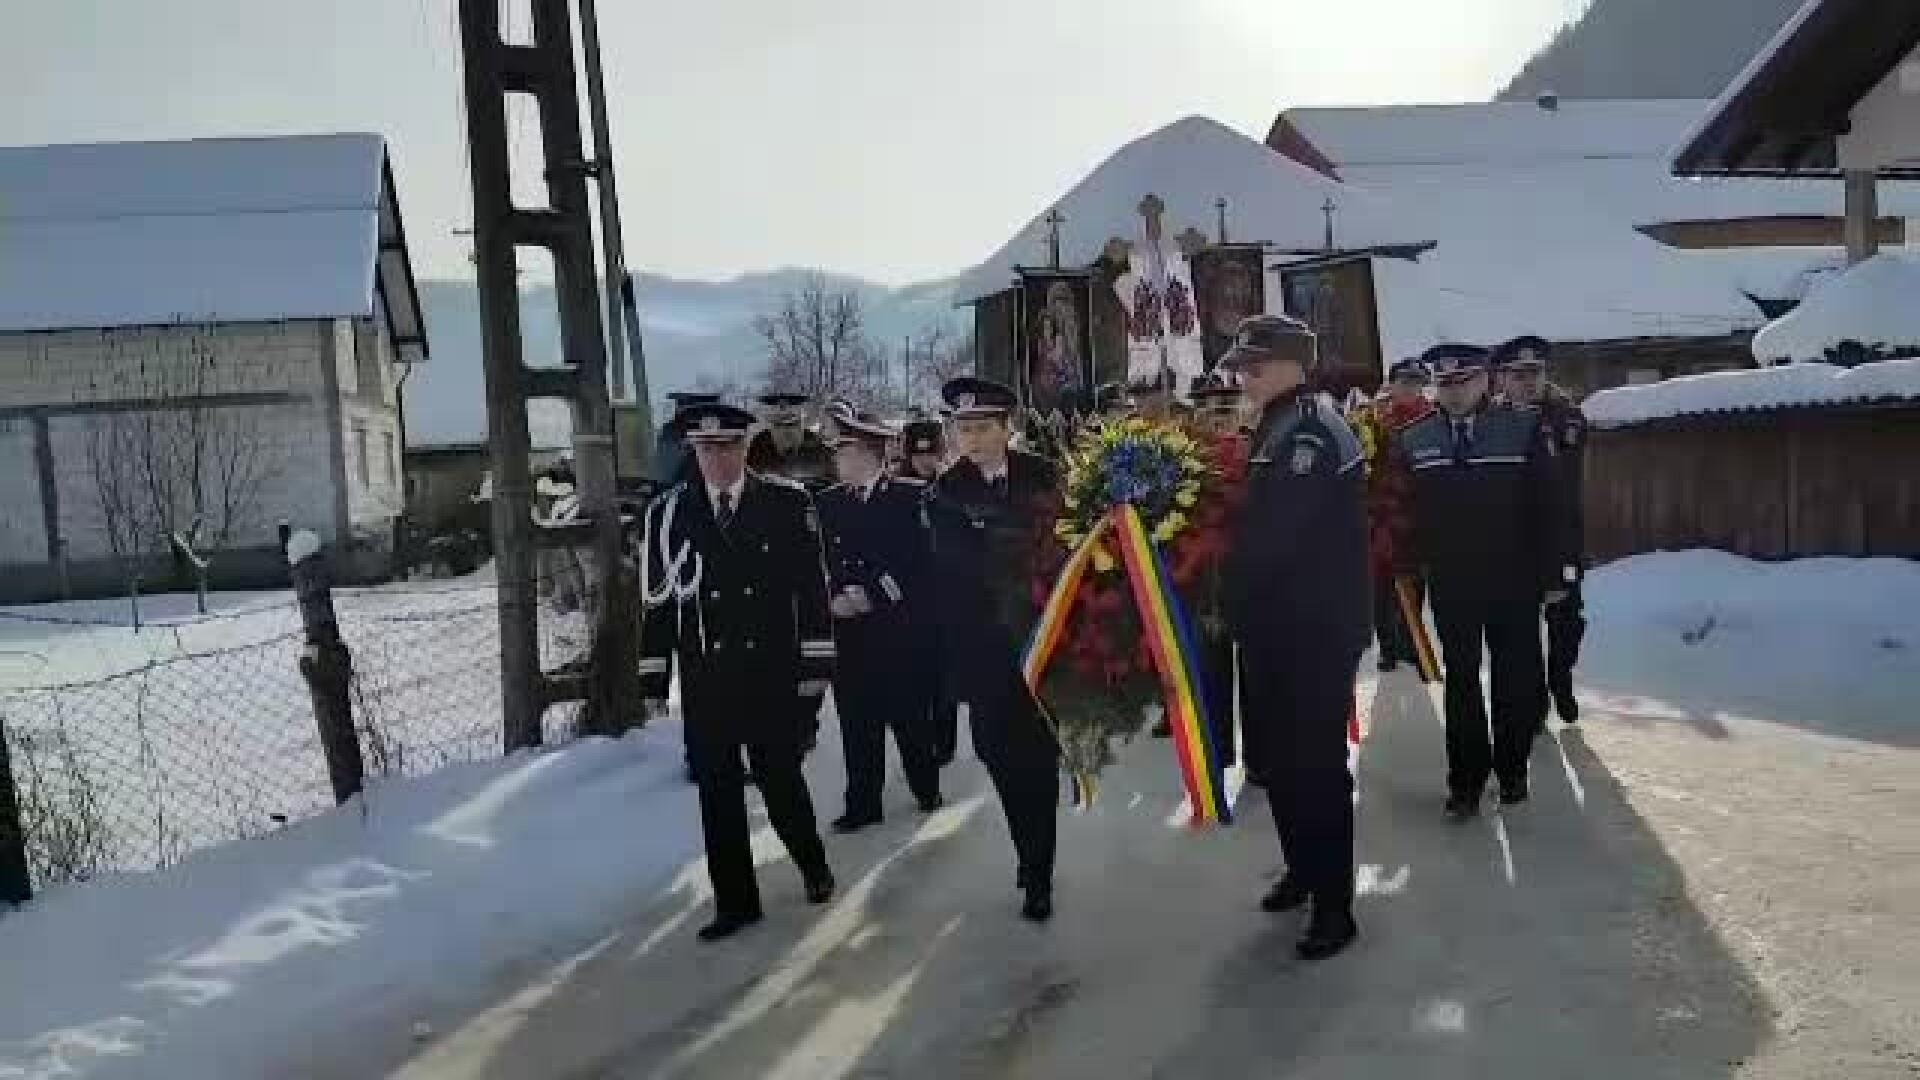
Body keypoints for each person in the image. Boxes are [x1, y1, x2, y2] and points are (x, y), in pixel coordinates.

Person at [638, 402, 837, 941]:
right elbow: (657, 604)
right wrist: (653, 679)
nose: (717, 459)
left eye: (728, 446)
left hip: (770, 671)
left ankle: (813, 866)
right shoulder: (667, 515)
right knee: (717, 792)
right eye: (706, 449)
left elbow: (811, 591)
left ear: (746, 447)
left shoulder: (786, 504)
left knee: (781, 783)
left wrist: (816, 663)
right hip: (707, 678)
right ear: (692, 452)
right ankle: (736, 902)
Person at [1218, 315, 1371, 961]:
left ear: (1293, 364)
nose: (1243, 373)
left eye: (1256, 362)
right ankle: (1303, 868)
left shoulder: (1308, 428)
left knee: (1316, 768)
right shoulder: (1278, 421)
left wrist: (1212, 572)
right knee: (1280, 760)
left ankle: (1335, 906)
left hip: (1312, 628)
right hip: (1277, 626)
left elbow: (1277, 536)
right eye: (1241, 363)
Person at [1382, 343, 1578, 820]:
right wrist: (1401, 567)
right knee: (1461, 684)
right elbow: (1402, 514)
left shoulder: (1523, 429)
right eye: (1444, 383)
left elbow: (1552, 509)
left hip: (1514, 580)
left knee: (1516, 679)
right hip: (1453, 583)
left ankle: (1512, 772)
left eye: (1463, 381)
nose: (1453, 393)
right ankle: (1465, 783)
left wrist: (1557, 573)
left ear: (1485, 380)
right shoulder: (1413, 439)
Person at [923, 376, 1063, 922]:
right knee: (999, 758)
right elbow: (960, 568)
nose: (973, 438)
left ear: (1009, 429)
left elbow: (1066, 543)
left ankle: (1039, 869)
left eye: (983, 427)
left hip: (1041, 646)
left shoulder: (1043, 476)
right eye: (964, 428)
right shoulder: (946, 493)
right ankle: (1027, 848)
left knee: (1039, 761)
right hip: (984, 654)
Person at [816, 410, 944, 830]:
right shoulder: (828, 503)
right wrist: (833, 597)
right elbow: (819, 562)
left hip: (897, 631)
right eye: (838, 453)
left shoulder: (909, 497)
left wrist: (873, 595)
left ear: (872, 454)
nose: (840, 461)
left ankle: (926, 788)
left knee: (910, 719)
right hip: (849, 634)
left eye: (848, 452)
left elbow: (921, 564)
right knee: (856, 722)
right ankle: (863, 802)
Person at [1493, 335, 1589, 724]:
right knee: (1521, 631)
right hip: (1514, 544)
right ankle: (1534, 701)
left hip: (1562, 539)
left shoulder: (1567, 416)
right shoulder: (1492, 421)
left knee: (1567, 619)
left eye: (1535, 373)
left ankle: (1560, 678)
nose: (1527, 382)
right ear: (1502, 379)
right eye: (1518, 374)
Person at [1366, 360, 1437, 673]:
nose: (1409, 388)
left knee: (1413, 586)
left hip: (1415, 519)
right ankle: (1389, 648)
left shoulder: (1432, 419)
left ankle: (1413, 648)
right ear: (1391, 385)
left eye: (1416, 382)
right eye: (1404, 382)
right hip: (1378, 518)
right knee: (1380, 591)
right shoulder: (1374, 419)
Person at [897, 417, 958, 765]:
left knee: (943, 675)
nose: (925, 462)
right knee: (915, 675)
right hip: (908, 596)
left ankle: (944, 741)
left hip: (945, 595)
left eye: (931, 454)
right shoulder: (896, 490)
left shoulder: (953, 486)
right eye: (918, 456)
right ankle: (922, 739)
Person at [747, 392, 833, 490]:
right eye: (778, 426)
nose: (786, 432)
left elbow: (831, 482)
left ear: (801, 424)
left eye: (793, 425)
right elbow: (749, 481)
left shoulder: (816, 444)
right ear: (771, 426)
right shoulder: (759, 444)